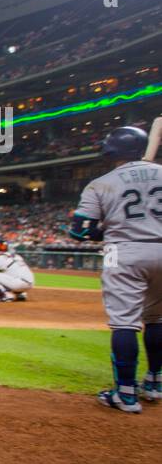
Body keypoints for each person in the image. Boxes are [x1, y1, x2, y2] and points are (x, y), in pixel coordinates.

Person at [68, 122, 162, 413]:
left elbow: (81, 231)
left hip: (123, 252)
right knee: (157, 318)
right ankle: (155, 383)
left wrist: (103, 229)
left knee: (125, 323)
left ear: (111, 152)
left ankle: (125, 394)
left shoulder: (102, 183)